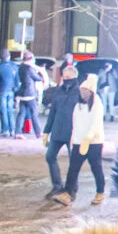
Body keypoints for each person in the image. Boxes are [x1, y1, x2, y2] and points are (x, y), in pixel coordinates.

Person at [42, 58, 85, 207]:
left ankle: (71, 189)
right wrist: (46, 131)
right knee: (50, 157)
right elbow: (53, 112)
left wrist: (81, 133)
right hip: (57, 131)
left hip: (73, 133)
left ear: (74, 77)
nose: (66, 79)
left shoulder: (79, 93)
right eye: (64, 77)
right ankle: (57, 186)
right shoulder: (59, 91)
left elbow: (83, 115)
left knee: (74, 162)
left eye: (68, 77)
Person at [62, 75, 108, 206]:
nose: (82, 92)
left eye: (85, 90)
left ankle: (100, 192)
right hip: (79, 142)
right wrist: (74, 139)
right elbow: (75, 123)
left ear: (91, 91)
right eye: (81, 90)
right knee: (73, 169)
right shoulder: (78, 105)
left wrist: (88, 138)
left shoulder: (97, 104)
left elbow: (95, 123)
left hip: (94, 143)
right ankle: (67, 193)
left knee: (96, 168)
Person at [0, 50, 21, 138]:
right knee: (10, 111)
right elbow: (17, 80)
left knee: (3, 111)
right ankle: (12, 130)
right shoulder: (14, 66)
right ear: (9, 56)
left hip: (2, 90)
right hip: (11, 90)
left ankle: (5, 130)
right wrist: (16, 89)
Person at [16, 52, 43, 136]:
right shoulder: (30, 69)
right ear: (30, 59)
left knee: (21, 113)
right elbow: (38, 78)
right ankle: (38, 132)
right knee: (34, 113)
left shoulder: (20, 67)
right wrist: (38, 71)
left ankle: (17, 132)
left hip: (21, 93)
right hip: (30, 93)